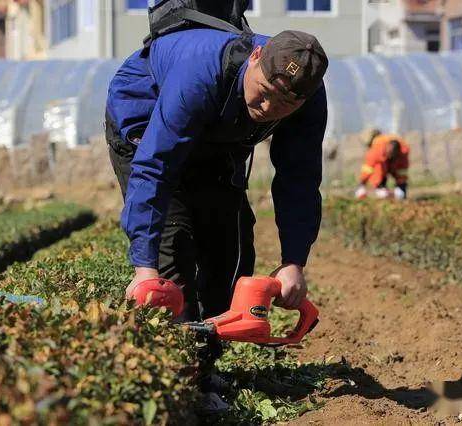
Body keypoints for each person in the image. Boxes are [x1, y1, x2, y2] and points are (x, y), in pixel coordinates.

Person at [104, 25, 328, 406]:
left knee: (230, 248)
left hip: (219, 137)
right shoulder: (199, 74)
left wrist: (294, 262)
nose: (269, 109)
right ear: (256, 57)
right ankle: (177, 382)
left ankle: (203, 367)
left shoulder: (309, 99)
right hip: (148, 117)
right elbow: (155, 167)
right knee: (171, 252)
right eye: (266, 92)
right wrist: (145, 268)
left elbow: (299, 180)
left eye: (284, 105)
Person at [355, 129, 410, 200]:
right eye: (389, 153)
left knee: (400, 175)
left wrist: (401, 187)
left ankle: (398, 193)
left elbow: (402, 171)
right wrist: (362, 183)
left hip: (396, 160)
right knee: (378, 169)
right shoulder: (377, 149)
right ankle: (382, 188)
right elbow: (368, 167)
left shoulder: (403, 153)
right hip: (383, 162)